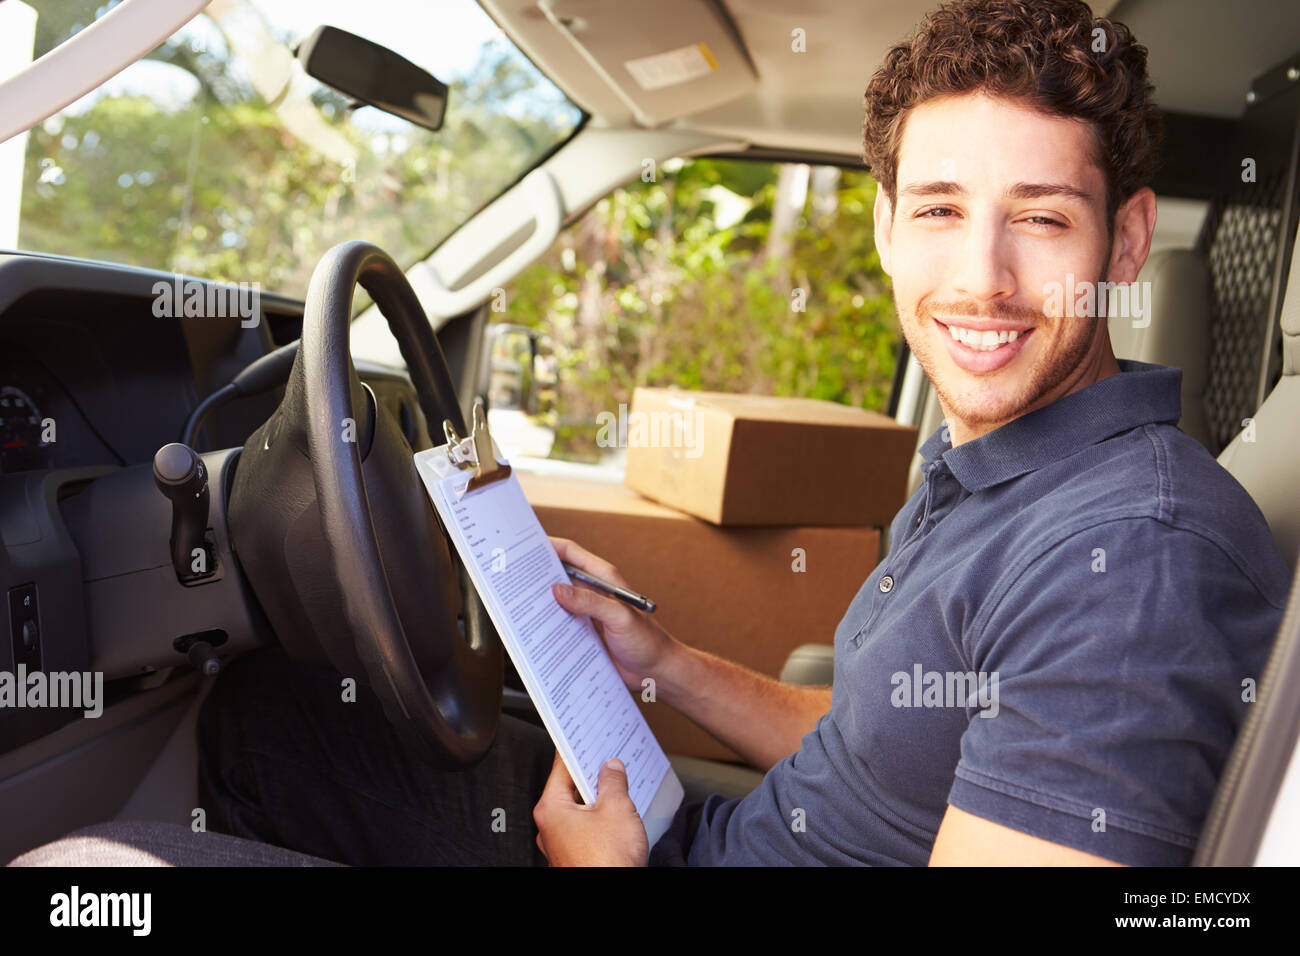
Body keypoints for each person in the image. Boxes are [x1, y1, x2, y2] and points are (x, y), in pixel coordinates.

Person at [198, 0, 1291, 866]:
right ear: (885, 223)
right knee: (281, 713)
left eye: (1041, 218)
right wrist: (662, 664)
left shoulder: (1133, 562)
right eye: (940, 209)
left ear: (1125, 240)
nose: (980, 280)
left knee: (257, 740)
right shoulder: (992, 464)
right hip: (710, 831)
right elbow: (877, 739)